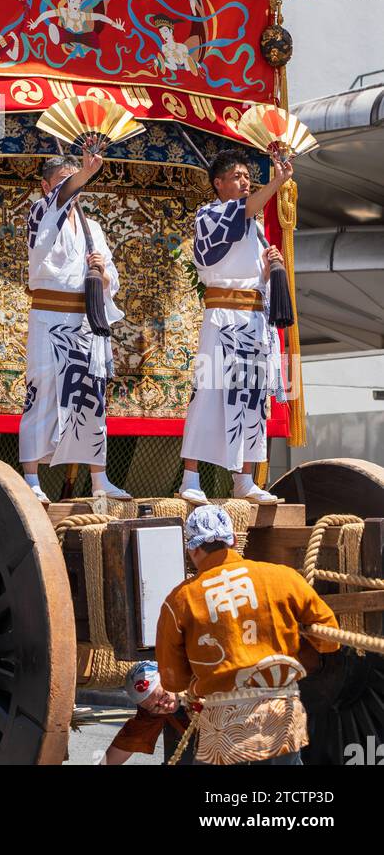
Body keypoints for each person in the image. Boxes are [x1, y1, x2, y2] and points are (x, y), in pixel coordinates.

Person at [156, 505, 340, 766]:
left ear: (193, 548)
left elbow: (173, 681)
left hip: (225, 724)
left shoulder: (180, 600)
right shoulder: (282, 577)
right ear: (232, 540)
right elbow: (329, 639)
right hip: (280, 716)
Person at [180, 149, 292, 506]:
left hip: (255, 320)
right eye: (238, 177)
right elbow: (242, 213)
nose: (245, 182)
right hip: (224, 317)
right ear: (219, 183)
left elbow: (255, 274)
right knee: (210, 391)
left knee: (252, 400)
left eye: (248, 177)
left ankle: (244, 478)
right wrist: (278, 180)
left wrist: (269, 265)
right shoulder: (209, 214)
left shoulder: (255, 228)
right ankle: (190, 477)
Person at [20, 151, 130, 502]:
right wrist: (84, 172)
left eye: (76, 180)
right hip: (50, 318)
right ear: (46, 186)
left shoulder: (92, 228)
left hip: (84, 320)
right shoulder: (41, 212)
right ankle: (31, 478)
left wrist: (102, 270)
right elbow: (62, 196)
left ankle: (100, 480)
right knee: (44, 391)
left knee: (90, 398)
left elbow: (112, 279)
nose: (73, 186)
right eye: (65, 180)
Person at [103, 660, 191, 766]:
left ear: (168, 679)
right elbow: (129, 740)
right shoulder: (151, 712)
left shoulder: (198, 684)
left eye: (164, 696)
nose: (164, 705)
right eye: (156, 707)